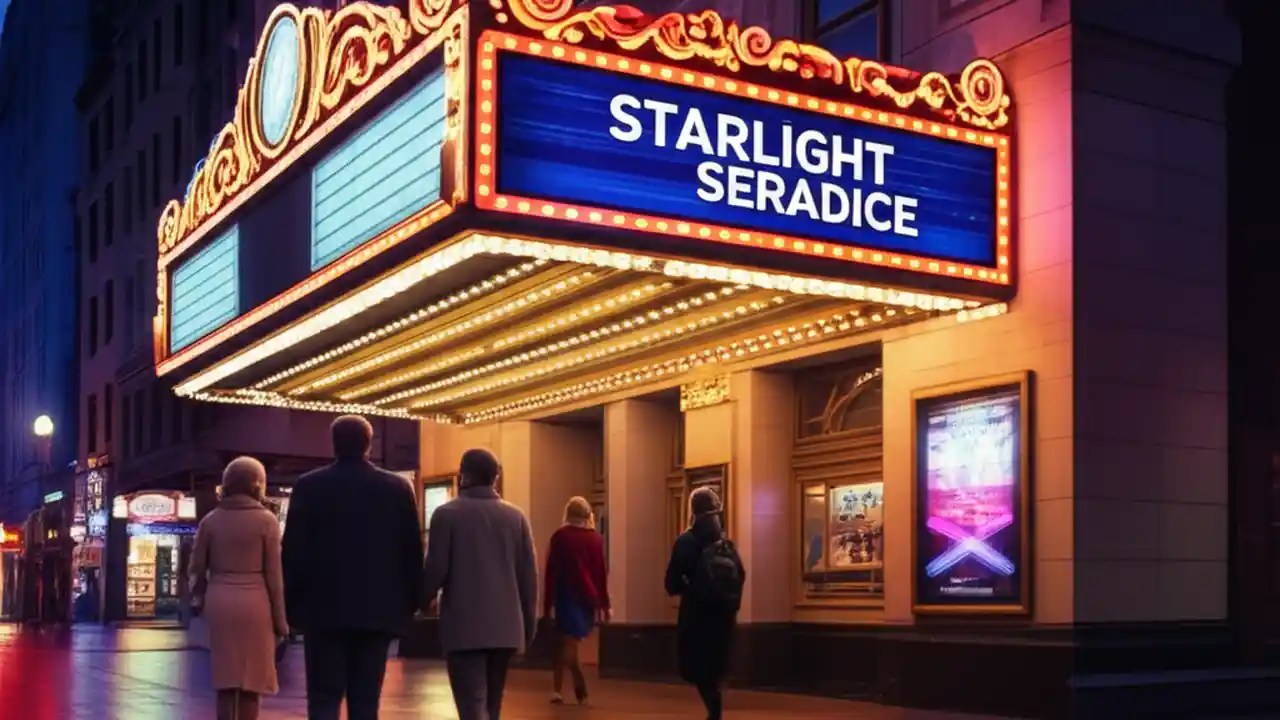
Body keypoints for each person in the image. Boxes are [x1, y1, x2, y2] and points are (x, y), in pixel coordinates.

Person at [282, 416, 423, 720]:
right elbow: (411, 550)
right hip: (378, 613)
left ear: (334, 443)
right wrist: (411, 603)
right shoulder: (397, 488)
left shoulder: (309, 487)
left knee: (322, 698)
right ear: (368, 444)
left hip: (323, 613)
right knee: (365, 700)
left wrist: (292, 607)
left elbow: (294, 551)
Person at [424, 448, 538, 720]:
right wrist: (528, 628)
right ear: (495, 477)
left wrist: (420, 600)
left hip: (464, 630)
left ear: (464, 476)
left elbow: (436, 570)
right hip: (506, 630)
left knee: (471, 706)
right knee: (492, 706)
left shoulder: (446, 515)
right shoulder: (516, 517)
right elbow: (529, 578)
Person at [190, 456, 290, 720]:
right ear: (258, 484)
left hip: (220, 601)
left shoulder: (210, 521)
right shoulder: (267, 522)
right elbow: (275, 576)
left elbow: (196, 568)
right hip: (257, 603)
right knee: (251, 684)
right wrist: (281, 622)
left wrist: (198, 598)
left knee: (225, 681)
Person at [664, 487, 745, 720]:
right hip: (724, 617)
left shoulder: (686, 542)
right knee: (715, 667)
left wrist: (689, 587)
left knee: (697, 667)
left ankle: (714, 709)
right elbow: (740, 575)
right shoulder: (726, 545)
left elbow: (671, 583)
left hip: (697, 616)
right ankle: (715, 706)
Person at [543, 496, 611, 706]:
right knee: (567, 642)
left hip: (566, 595)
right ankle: (565, 690)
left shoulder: (559, 537)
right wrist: (604, 604)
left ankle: (572, 687)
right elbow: (601, 573)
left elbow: (551, 573)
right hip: (587, 599)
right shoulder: (596, 539)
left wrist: (547, 604)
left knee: (563, 642)